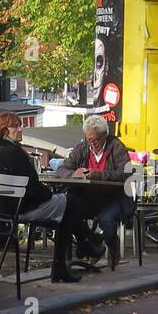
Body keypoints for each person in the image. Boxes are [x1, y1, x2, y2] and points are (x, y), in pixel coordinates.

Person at [0, 112, 92, 282]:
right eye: (16, 126)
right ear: (5, 130)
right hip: (21, 208)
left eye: (21, 125)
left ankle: (84, 245)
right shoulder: (14, 153)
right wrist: (51, 194)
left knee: (66, 207)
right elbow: (33, 187)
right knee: (69, 202)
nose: (20, 129)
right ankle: (73, 255)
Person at [55, 115, 134, 269]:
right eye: (89, 139)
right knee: (69, 212)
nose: (92, 143)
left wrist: (100, 174)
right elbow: (61, 169)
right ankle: (88, 247)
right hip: (87, 197)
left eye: (96, 139)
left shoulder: (117, 147)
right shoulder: (82, 147)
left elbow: (127, 174)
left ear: (105, 135)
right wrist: (74, 174)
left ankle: (111, 244)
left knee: (107, 221)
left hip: (113, 198)